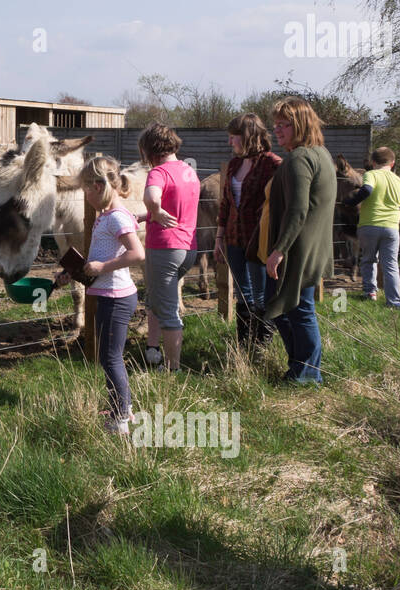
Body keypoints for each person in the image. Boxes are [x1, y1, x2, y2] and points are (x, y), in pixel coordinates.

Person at [54, 156, 145, 434]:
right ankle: (124, 407)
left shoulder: (116, 217)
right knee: (109, 357)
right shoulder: (105, 216)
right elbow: (99, 257)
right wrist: (73, 272)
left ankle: (120, 419)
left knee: (110, 358)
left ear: (97, 187)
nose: (85, 196)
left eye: (85, 190)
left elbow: (137, 253)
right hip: (108, 294)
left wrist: (102, 268)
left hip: (116, 298)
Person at [263, 97, 337, 385]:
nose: (277, 130)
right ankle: (299, 368)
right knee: (287, 308)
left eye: (284, 125)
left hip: (299, 249)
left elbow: (298, 209)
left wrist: (279, 249)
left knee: (298, 309)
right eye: (276, 125)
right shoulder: (321, 154)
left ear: (301, 125)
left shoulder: (299, 159)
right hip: (313, 246)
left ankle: (307, 375)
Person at [214, 113, 281, 349]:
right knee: (242, 293)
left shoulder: (273, 164)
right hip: (234, 238)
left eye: (233, 137)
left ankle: (262, 347)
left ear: (248, 136)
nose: (229, 142)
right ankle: (243, 345)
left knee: (261, 294)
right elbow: (225, 204)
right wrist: (219, 237)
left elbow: (280, 204)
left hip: (259, 240)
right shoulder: (234, 164)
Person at [137, 122, 201, 371]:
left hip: (164, 249)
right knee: (156, 298)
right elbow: (179, 207)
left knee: (167, 311)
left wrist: (156, 210)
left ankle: (173, 369)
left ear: (149, 150)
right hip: (188, 248)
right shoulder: (188, 171)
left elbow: (151, 197)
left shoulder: (158, 172)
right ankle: (153, 350)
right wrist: (148, 216)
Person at [342, 146, 400, 307]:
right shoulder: (399, 181)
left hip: (370, 225)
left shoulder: (371, 174)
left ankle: (370, 292)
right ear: (392, 163)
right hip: (392, 227)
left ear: (373, 162)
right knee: (391, 265)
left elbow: (367, 189)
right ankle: (394, 301)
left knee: (368, 260)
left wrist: (350, 202)